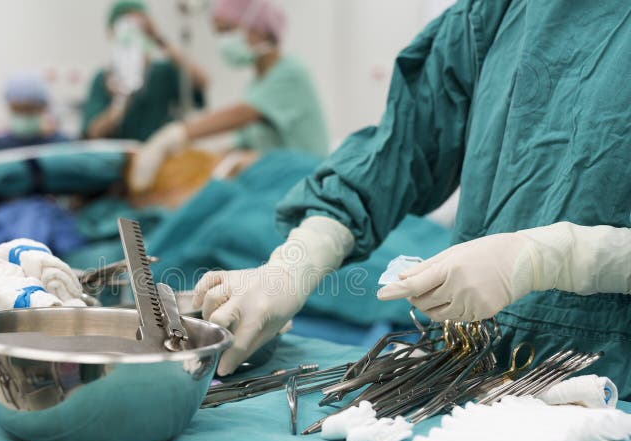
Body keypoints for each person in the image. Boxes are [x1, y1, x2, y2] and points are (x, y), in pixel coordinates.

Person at [192, 0, 631, 398]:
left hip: (616, 386)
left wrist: (559, 258)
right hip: (474, 372)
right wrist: (293, 265)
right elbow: (400, 148)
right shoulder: (499, 10)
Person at [129, 0, 329, 193]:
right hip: (272, 182)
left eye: (227, 30)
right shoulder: (257, 84)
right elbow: (244, 146)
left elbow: (242, 114)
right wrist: (198, 163)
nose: (223, 41)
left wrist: (175, 134)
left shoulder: (291, 73)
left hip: (300, 184)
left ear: (259, 28)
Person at [81, 0, 209, 142]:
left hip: (162, 155)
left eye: (138, 25)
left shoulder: (163, 72)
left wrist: (160, 39)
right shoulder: (103, 78)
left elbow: (202, 81)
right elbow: (93, 133)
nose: (131, 31)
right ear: (111, 32)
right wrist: (121, 100)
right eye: (124, 24)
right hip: (123, 157)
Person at [0, 72, 69, 152]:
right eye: (19, 110)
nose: (25, 115)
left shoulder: (63, 146)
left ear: (44, 109)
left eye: (30, 109)